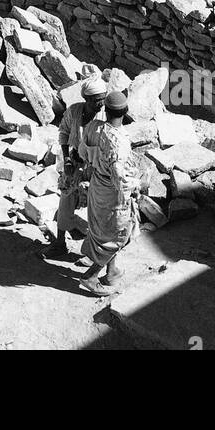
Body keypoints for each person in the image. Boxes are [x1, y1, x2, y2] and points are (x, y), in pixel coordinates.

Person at [76, 88, 141, 296]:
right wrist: (140, 183)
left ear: (106, 110)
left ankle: (112, 272)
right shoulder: (120, 142)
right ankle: (91, 276)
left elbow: (82, 153)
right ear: (126, 111)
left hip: (97, 186)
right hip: (113, 194)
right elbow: (121, 180)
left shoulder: (94, 127)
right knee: (117, 233)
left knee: (102, 229)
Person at [38, 77, 108, 261]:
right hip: (75, 166)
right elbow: (64, 132)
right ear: (87, 99)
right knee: (65, 200)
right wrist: (67, 159)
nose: (100, 103)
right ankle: (60, 243)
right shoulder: (74, 111)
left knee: (95, 210)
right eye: (96, 100)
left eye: (103, 98)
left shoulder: (106, 117)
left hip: (97, 169)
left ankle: (93, 253)